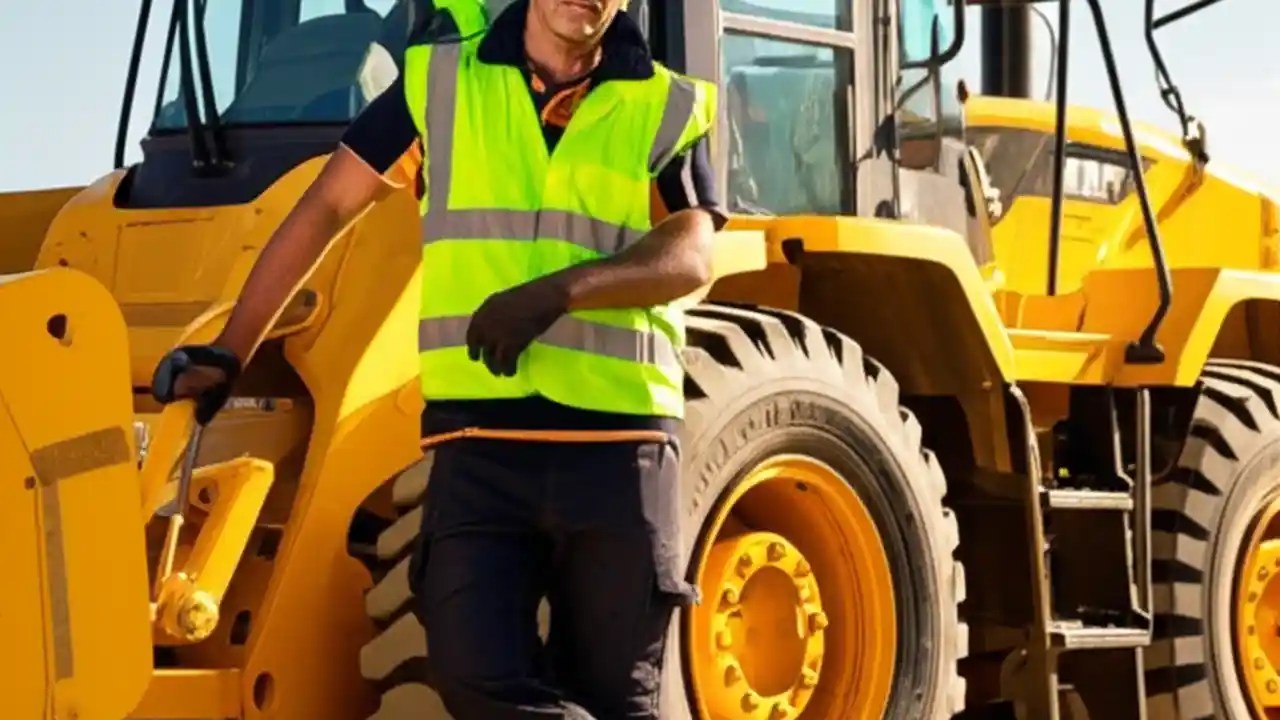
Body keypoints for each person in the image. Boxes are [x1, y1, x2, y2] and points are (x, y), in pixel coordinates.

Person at [151, 0, 724, 718]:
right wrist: (230, 352)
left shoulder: (667, 104)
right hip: (479, 448)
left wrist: (560, 292)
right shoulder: (437, 84)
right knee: (475, 682)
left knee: (618, 698)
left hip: (621, 451)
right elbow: (325, 207)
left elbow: (692, 250)